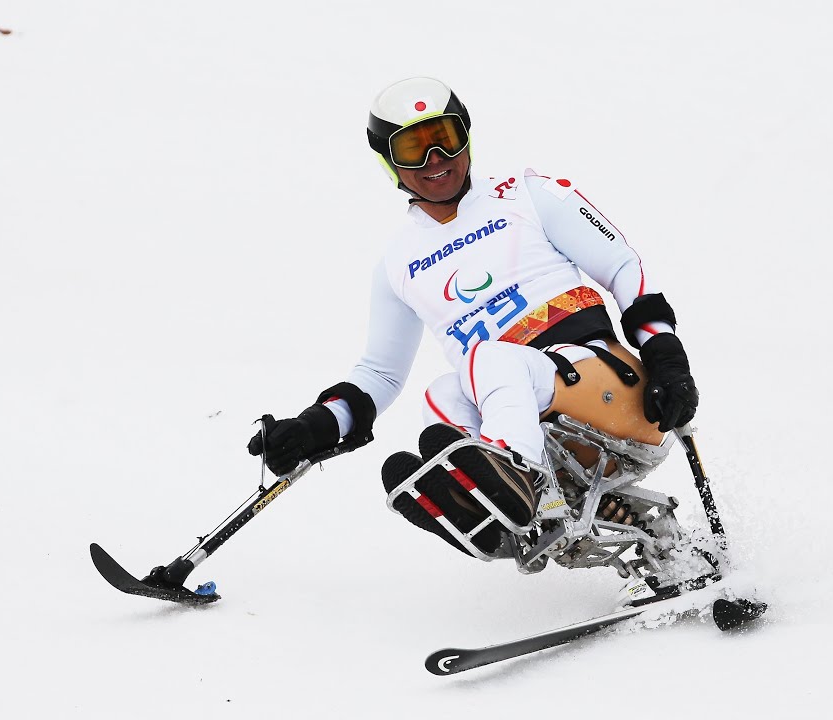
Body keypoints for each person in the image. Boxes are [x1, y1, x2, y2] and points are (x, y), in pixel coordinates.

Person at [248, 77, 698, 556]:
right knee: (443, 394)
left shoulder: (526, 194)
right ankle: (488, 510)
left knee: (485, 360)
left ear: (466, 135)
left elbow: (623, 266)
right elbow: (380, 374)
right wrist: (315, 426)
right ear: (388, 161)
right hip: (533, 421)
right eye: (413, 149)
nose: (435, 159)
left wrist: (666, 356)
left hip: (609, 389)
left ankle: (514, 474)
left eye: (444, 138)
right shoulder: (398, 264)